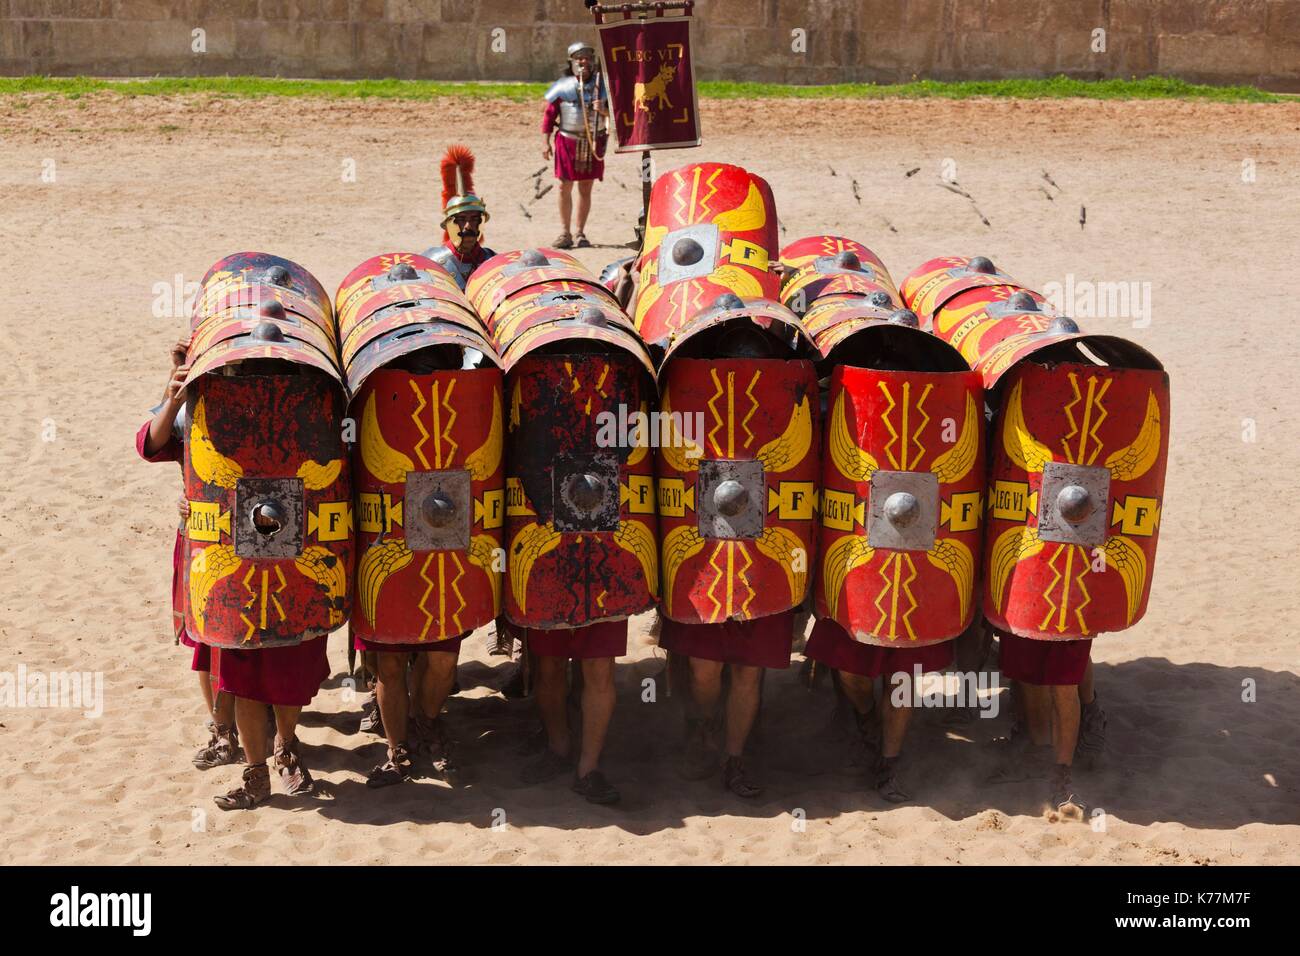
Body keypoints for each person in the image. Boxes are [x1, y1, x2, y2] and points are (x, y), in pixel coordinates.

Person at [135, 333, 241, 771]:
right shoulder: (194, 405)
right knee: (205, 640)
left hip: (259, 537)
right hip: (202, 535)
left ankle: (257, 723)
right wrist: (174, 391)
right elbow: (151, 444)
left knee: (248, 638)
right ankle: (221, 730)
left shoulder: (270, 401)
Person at [541, 41, 608, 249]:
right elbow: (549, 116)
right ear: (571, 62)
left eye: (587, 57)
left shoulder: (602, 86)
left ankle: (580, 233)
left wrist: (603, 110)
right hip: (566, 141)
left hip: (592, 142)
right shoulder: (562, 86)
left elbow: (615, 117)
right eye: (579, 57)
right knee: (564, 187)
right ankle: (565, 232)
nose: (583, 61)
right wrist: (545, 142)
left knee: (586, 188)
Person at [421, 144, 495, 289]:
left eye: (474, 220)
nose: (468, 226)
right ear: (448, 225)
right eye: (461, 220)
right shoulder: (431, 263)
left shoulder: (492, 262)